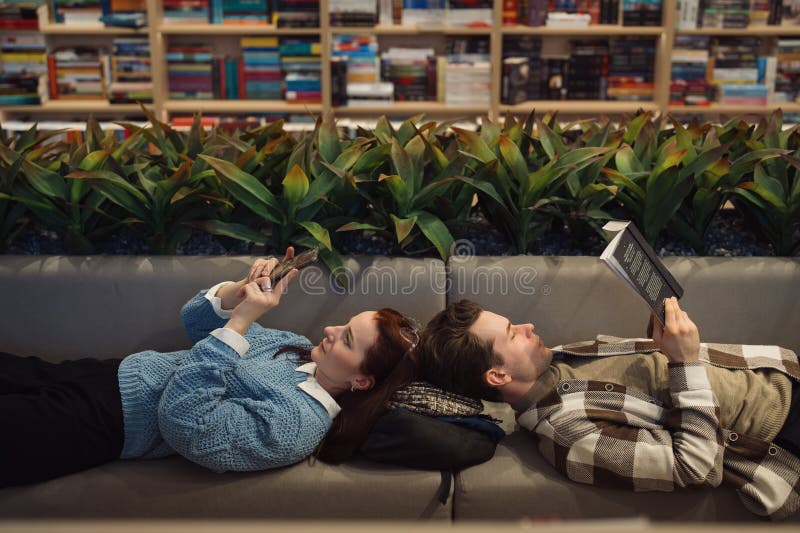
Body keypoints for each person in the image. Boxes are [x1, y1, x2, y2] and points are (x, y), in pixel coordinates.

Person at [0, 247, 418, 487]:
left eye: (346, 338)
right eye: (344, 324)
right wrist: (240, 293)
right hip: (111, 373)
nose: (329, 328)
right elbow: (197, 323)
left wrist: (241, 324)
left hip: (108, 421)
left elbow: (188, 423)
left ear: (363, 380)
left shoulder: (298, 424)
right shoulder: (293, 347)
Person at [416, 298, 800, 520]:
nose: (528, 326)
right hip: (783, 428)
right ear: (497, 376)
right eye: (512, 333)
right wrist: (683, 362)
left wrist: (661, 342)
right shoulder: (568, 434)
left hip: (781, 371)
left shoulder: (554, 362)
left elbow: (643, 383)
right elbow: (694, 466)